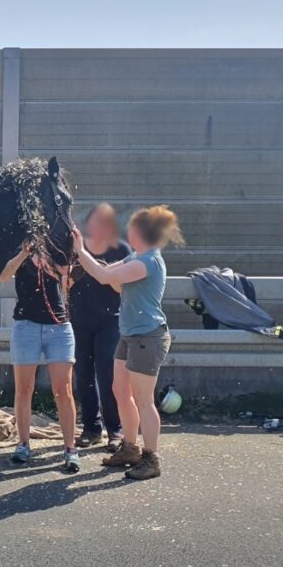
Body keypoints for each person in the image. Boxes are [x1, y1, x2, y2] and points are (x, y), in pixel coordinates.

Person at [71, 206, 184, 480]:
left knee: (144, 400)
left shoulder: (148, 262)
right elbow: (110, 276)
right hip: (129, 334)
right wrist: (85, 260)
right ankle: (130, 449)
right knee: (121, 391)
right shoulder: (136, 257)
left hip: (148, 337)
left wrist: (79, 250)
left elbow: (105, 277)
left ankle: (151, 458)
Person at [0, 246, 79, 473]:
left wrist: (52, 265)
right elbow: (4, 276)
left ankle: (71, 449)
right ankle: (23, 444)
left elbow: (69, 282)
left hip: (59, 327)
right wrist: (24, 253)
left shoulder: (58, 249)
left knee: (63, 390)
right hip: (26, 326)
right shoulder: (20, 248)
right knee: (23, 388)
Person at [68, 203, 130, 453]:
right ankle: (91, 427)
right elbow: (65, 284)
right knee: (83, 375)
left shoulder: (121, 250)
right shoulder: (75, 250)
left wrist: (99, 268)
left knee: (108, 376)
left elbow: (120, 287)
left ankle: (115, 429)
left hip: (109, 322)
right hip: (79, 321)